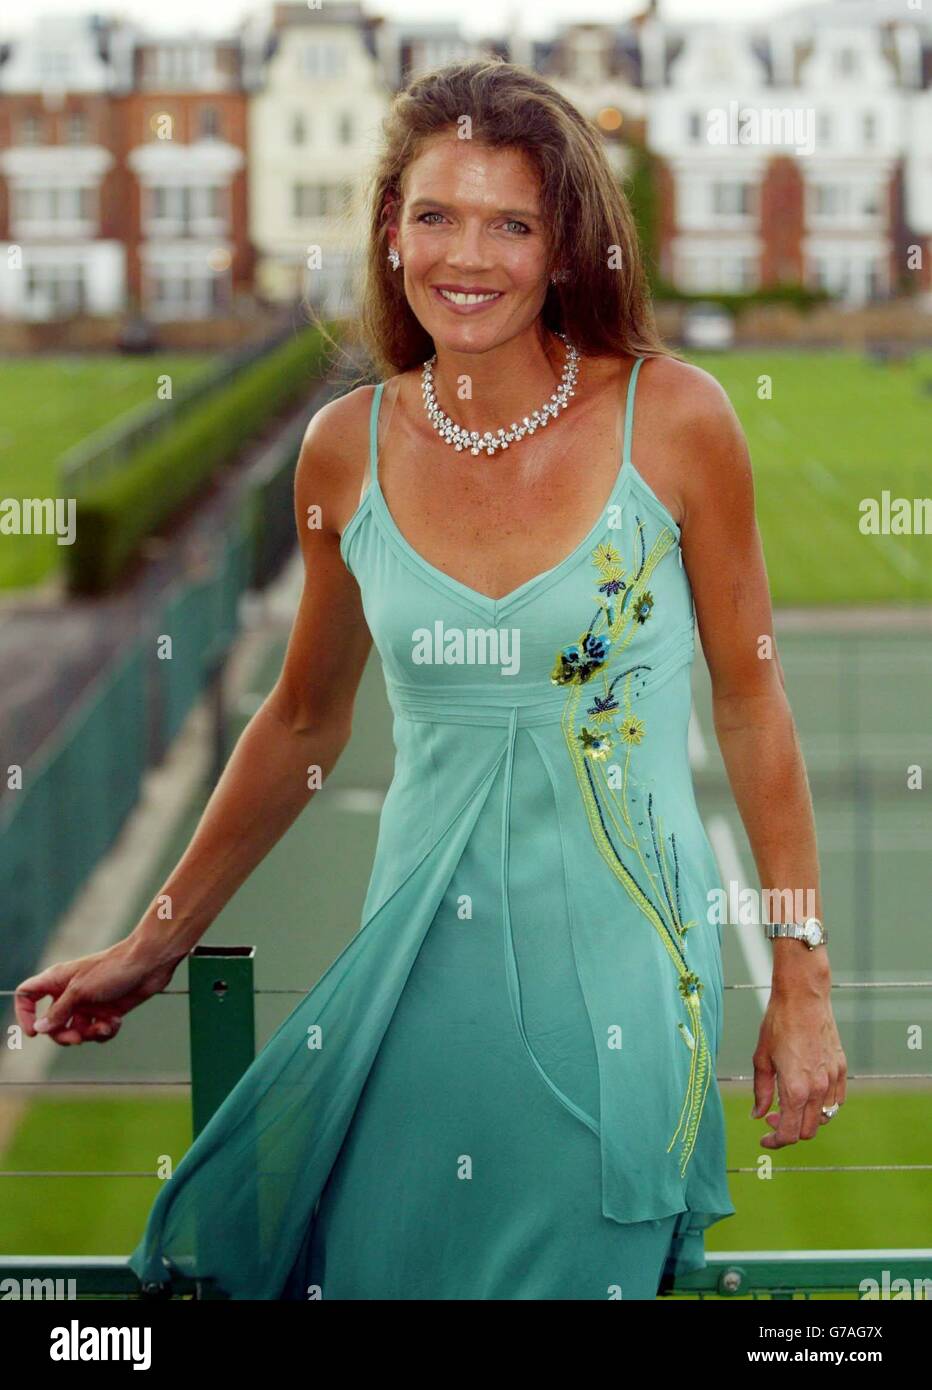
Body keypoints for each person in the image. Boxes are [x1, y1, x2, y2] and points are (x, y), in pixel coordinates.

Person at [15, 59, 846, 1301]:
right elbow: (299, 719)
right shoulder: (340, 453)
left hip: (616, 987)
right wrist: (151, 941)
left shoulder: (674, 421)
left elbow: (749, 700)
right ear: (389, 233)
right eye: (435, 215)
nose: (469, 255)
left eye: (511, 222)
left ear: (564, 247)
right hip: (409, 984)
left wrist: (799, 976)